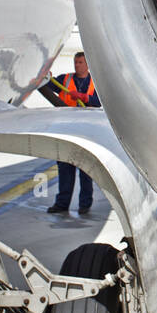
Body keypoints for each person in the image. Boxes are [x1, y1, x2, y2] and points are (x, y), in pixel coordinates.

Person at [37, 51, 100, 215]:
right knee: (65, 170)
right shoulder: (65, 79)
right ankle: (62, 203)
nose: (77, 65)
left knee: (86, 172)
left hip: (86, 133)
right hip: (67, 131)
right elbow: (47, 85)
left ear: (87, 64)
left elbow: (100, 101)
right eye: (76, 62)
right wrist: (44, 76)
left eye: (80, 62)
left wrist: (84, 98)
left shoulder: (96, 81)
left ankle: (84, 205)